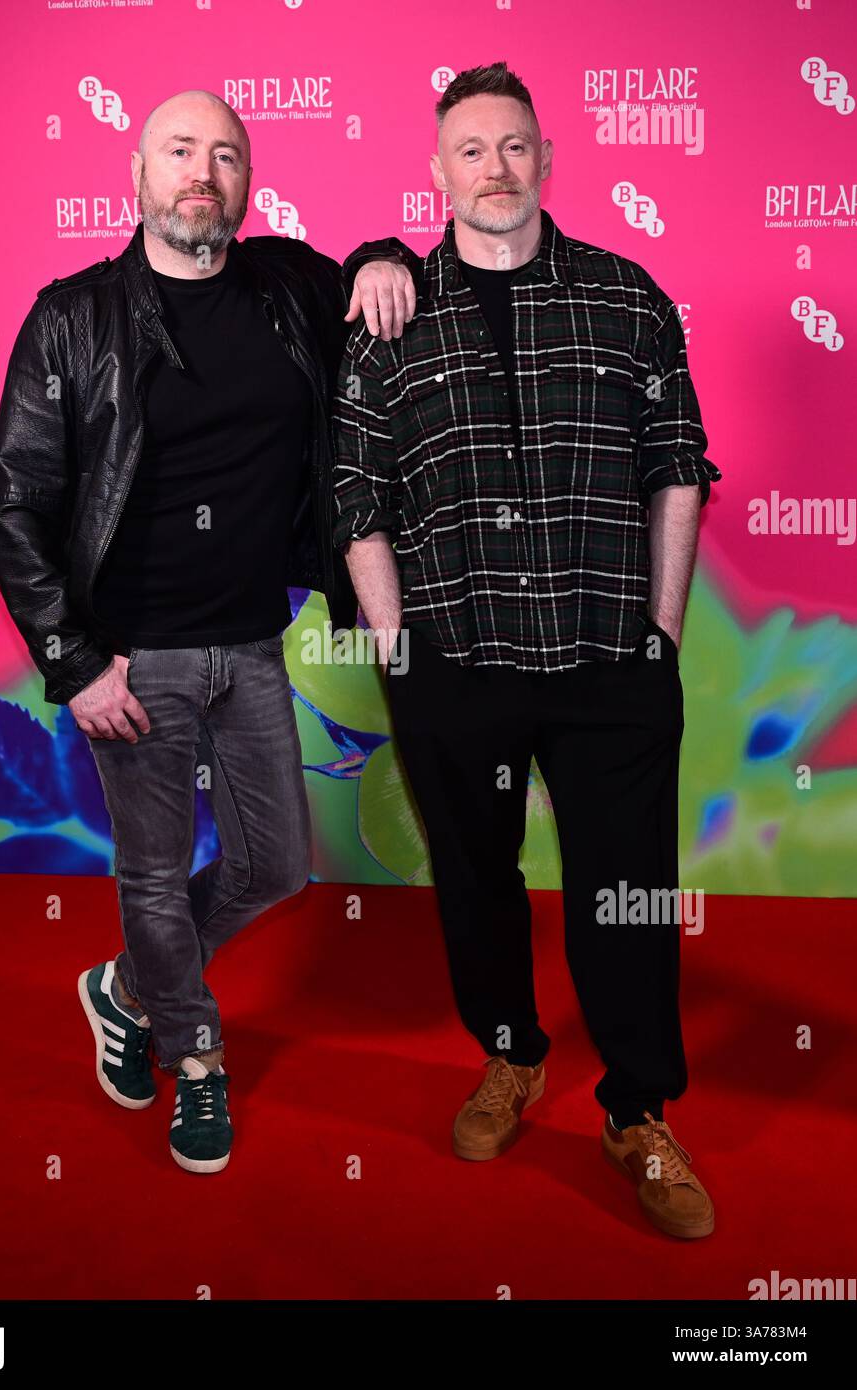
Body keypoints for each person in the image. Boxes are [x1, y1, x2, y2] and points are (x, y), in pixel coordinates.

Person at [0, 88, 420, 1175]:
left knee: (276, 866)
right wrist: (71, 661)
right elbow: (9, 501)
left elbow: (371, 277)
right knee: (157, 876)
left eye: (225, 155)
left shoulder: (285, 286)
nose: (201, 172)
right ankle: (199, 1059)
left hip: (252, 642)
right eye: (179, 150)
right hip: (132, 655)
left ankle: (124, 989)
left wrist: (379, 251)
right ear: (136, 172)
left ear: (246, 182)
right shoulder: (72, 318)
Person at [333, 61, 722, 1239]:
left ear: (544, 160)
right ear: (436, 170)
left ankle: (637, 1108)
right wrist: (401, 652)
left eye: (513, 146)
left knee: (627, 892)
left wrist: (658, 636)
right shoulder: (388, 317)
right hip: (453, 664)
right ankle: (509, 1054)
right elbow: (355, 496)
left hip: (610, 656)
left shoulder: (625, 296)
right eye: (469, 149)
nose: (493, 167)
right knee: (475, 884)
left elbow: (675, 468)